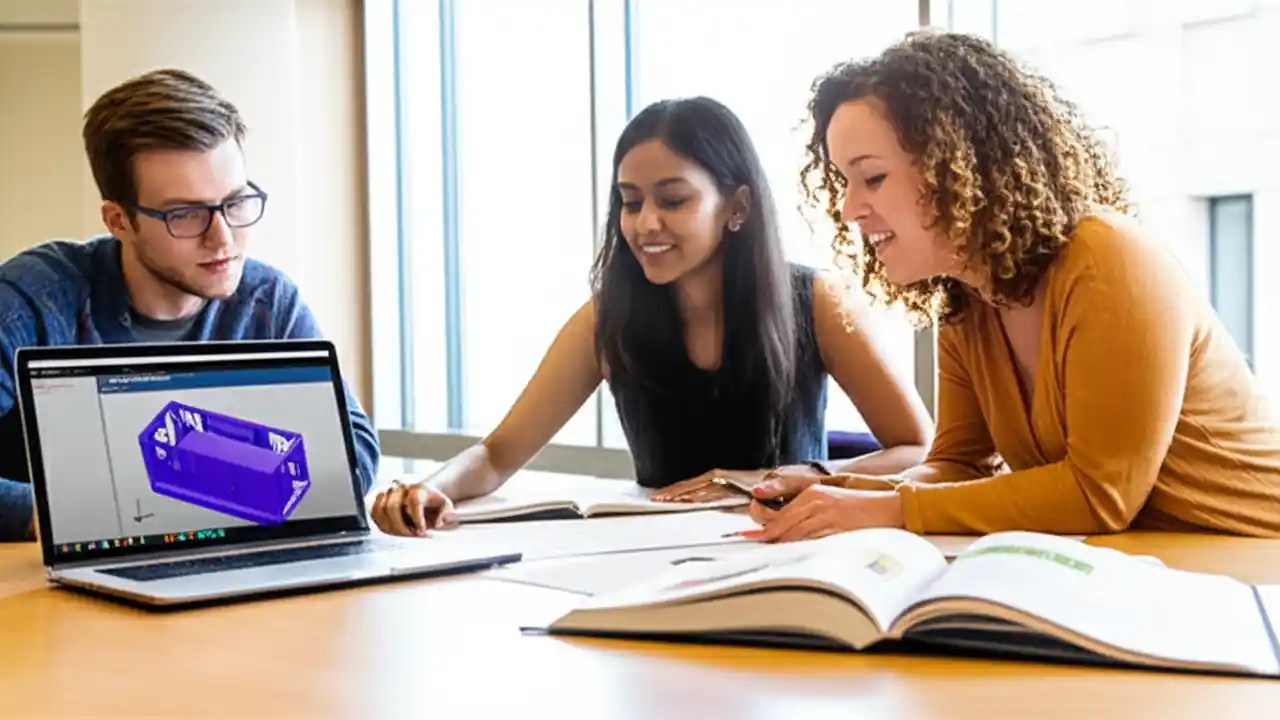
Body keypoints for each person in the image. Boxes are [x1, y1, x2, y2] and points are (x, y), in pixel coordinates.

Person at [742, 31, 1280, 542]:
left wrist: (889, 508)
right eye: (844, 181)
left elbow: (1099, 496)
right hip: (1152, 571)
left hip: (1252, 565)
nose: (849, 208)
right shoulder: (966, 301)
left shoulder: (1109, 259)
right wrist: (837, 494)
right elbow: (959, 464)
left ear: (958, 164)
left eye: (873, 177)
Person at [371, 96, 933, 537]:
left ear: (737, 207)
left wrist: (775, 480)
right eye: (631, 201)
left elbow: (919, 449)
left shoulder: (817, 301)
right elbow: (496, 456)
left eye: (673, 200)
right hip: (653, 561)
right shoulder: (605, 321)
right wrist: (427, 488)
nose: (645, 224)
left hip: (786, 548)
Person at [0, 69, 380, 541]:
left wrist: (157, 500)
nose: (223, 238)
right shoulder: (32, 299)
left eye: (236, 202)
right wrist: (61, 515)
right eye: (186, 214)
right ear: (119, 220)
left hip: (231, 567)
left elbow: (354, 455)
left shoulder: (267, 303)